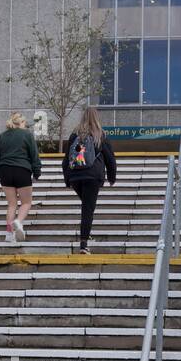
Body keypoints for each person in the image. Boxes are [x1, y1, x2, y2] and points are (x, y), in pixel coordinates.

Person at [62, 107, 116, 254]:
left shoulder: (75, 135)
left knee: (87, 206)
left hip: (76, 177)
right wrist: (112, 177)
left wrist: (67, 178)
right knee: (87, 209)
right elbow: (110, 159)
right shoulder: (100, 135)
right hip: (92, 177)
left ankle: (87, 234)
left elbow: (66, 159)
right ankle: (84, 244)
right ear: (96, 117)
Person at [0, 112, 42, 243]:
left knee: (12, 204)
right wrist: (37, 171)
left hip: (5, 171)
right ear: (21, 123)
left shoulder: (1, 136)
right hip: (22, 169)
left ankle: (8, 234)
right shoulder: (27, 135)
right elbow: (34, 154)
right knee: (26, 202)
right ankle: (18, 222)